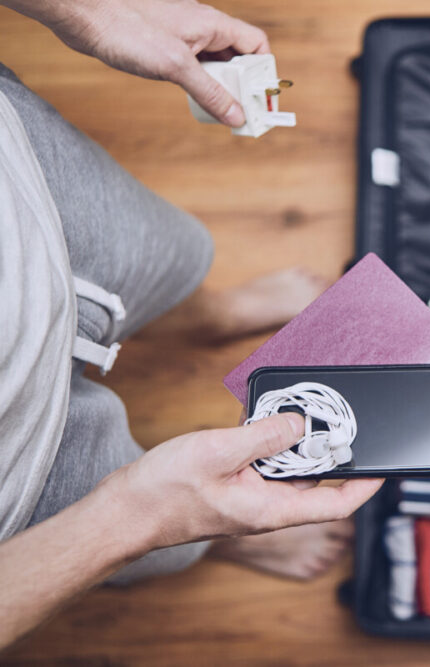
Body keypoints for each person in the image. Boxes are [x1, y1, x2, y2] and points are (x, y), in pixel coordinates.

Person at [0, 0, 383, 649]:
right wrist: (133, 521)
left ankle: (211, 314)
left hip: (22, 185)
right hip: (15, 485)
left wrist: (90, 10)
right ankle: (214, 538)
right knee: (148, 525)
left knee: (171, 254)